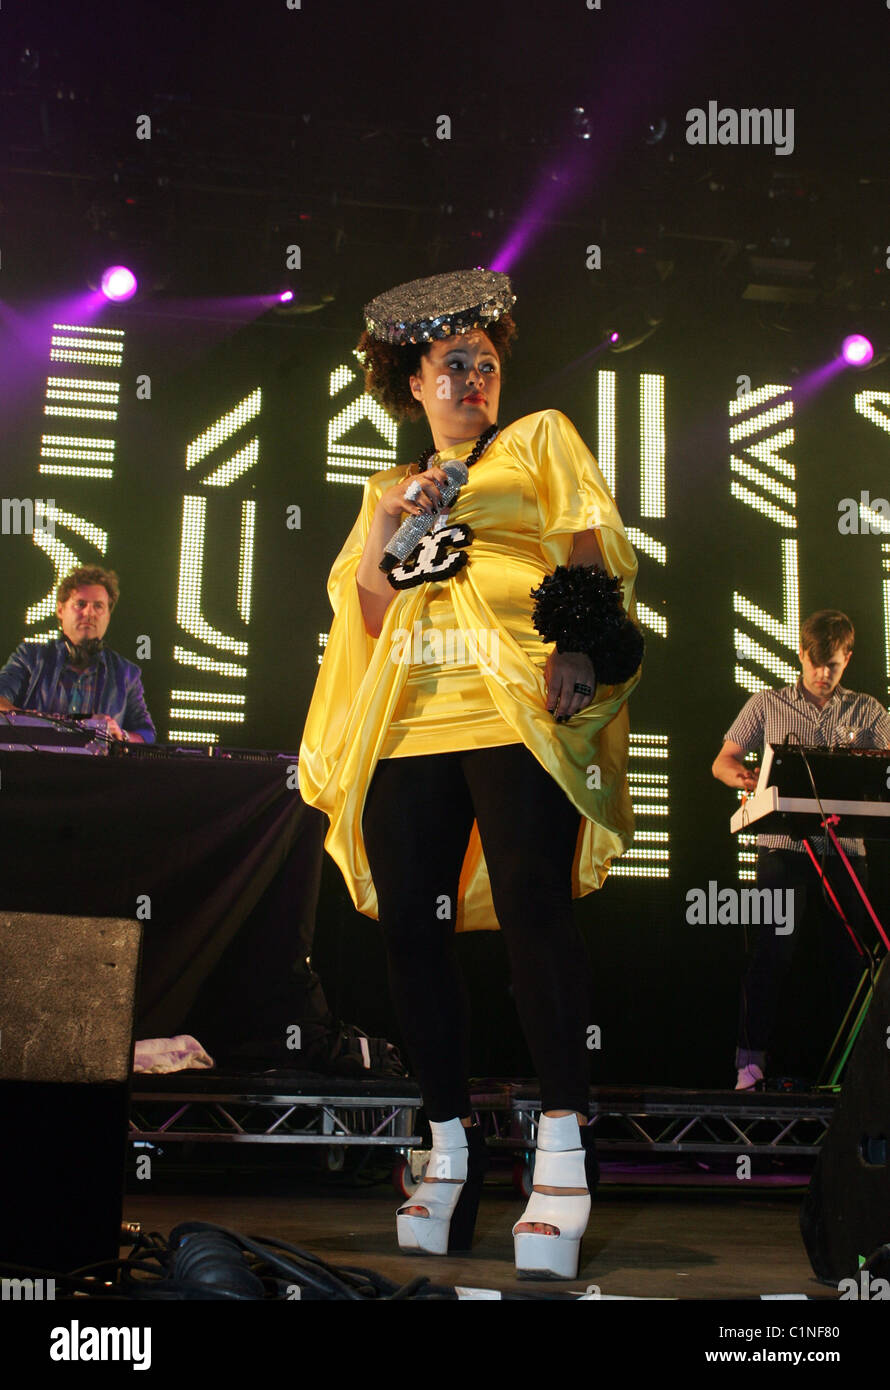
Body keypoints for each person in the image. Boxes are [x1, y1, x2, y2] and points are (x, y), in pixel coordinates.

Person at [298, 268, 643, 1278]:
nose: (471, 378)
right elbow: (367, 616)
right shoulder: (387, 487)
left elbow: (584, 540)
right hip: (409, 718)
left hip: (512, 705)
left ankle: (563, 1147)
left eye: (484, 362)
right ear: (413, 383)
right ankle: (447, 1141)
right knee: (409, 926)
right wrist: (392, 518)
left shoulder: (539, 438)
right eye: (451, 365)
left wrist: (576, 645)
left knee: (534, 905)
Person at [711, 610, 890, 1090]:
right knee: (772, 951)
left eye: (833, 664)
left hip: (844, 849)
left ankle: (862, 1071)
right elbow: (723, 760)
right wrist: (742, 776)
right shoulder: (767, 704)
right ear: (801, 655)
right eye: (815, 662)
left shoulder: (868, 711)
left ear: (847, 659)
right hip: (783, 847)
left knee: (853, 960)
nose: (823, 673)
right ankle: (749, 1065)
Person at [0, 565, 155, 743]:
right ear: (60, 610)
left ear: (108, 615)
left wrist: (121, 735)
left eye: (98, 606)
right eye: (81, 604)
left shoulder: (127, 673)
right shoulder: (30, 657)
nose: (89, 613)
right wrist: (35, 722)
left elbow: (147, 734)